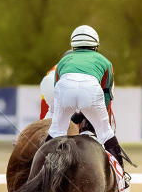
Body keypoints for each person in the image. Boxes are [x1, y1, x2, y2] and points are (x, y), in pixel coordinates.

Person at [45, 24, 131, 183]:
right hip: (91, 91)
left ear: (73, 45)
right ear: (95, 45)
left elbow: (58, 89)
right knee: (106, 134)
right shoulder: (105, 62)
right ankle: (121, 178)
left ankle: (40, 173)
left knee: (56, 131)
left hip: (64, 91)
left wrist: (72, 113)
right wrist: (96, 118)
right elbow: (107, 95)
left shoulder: (63, 61)